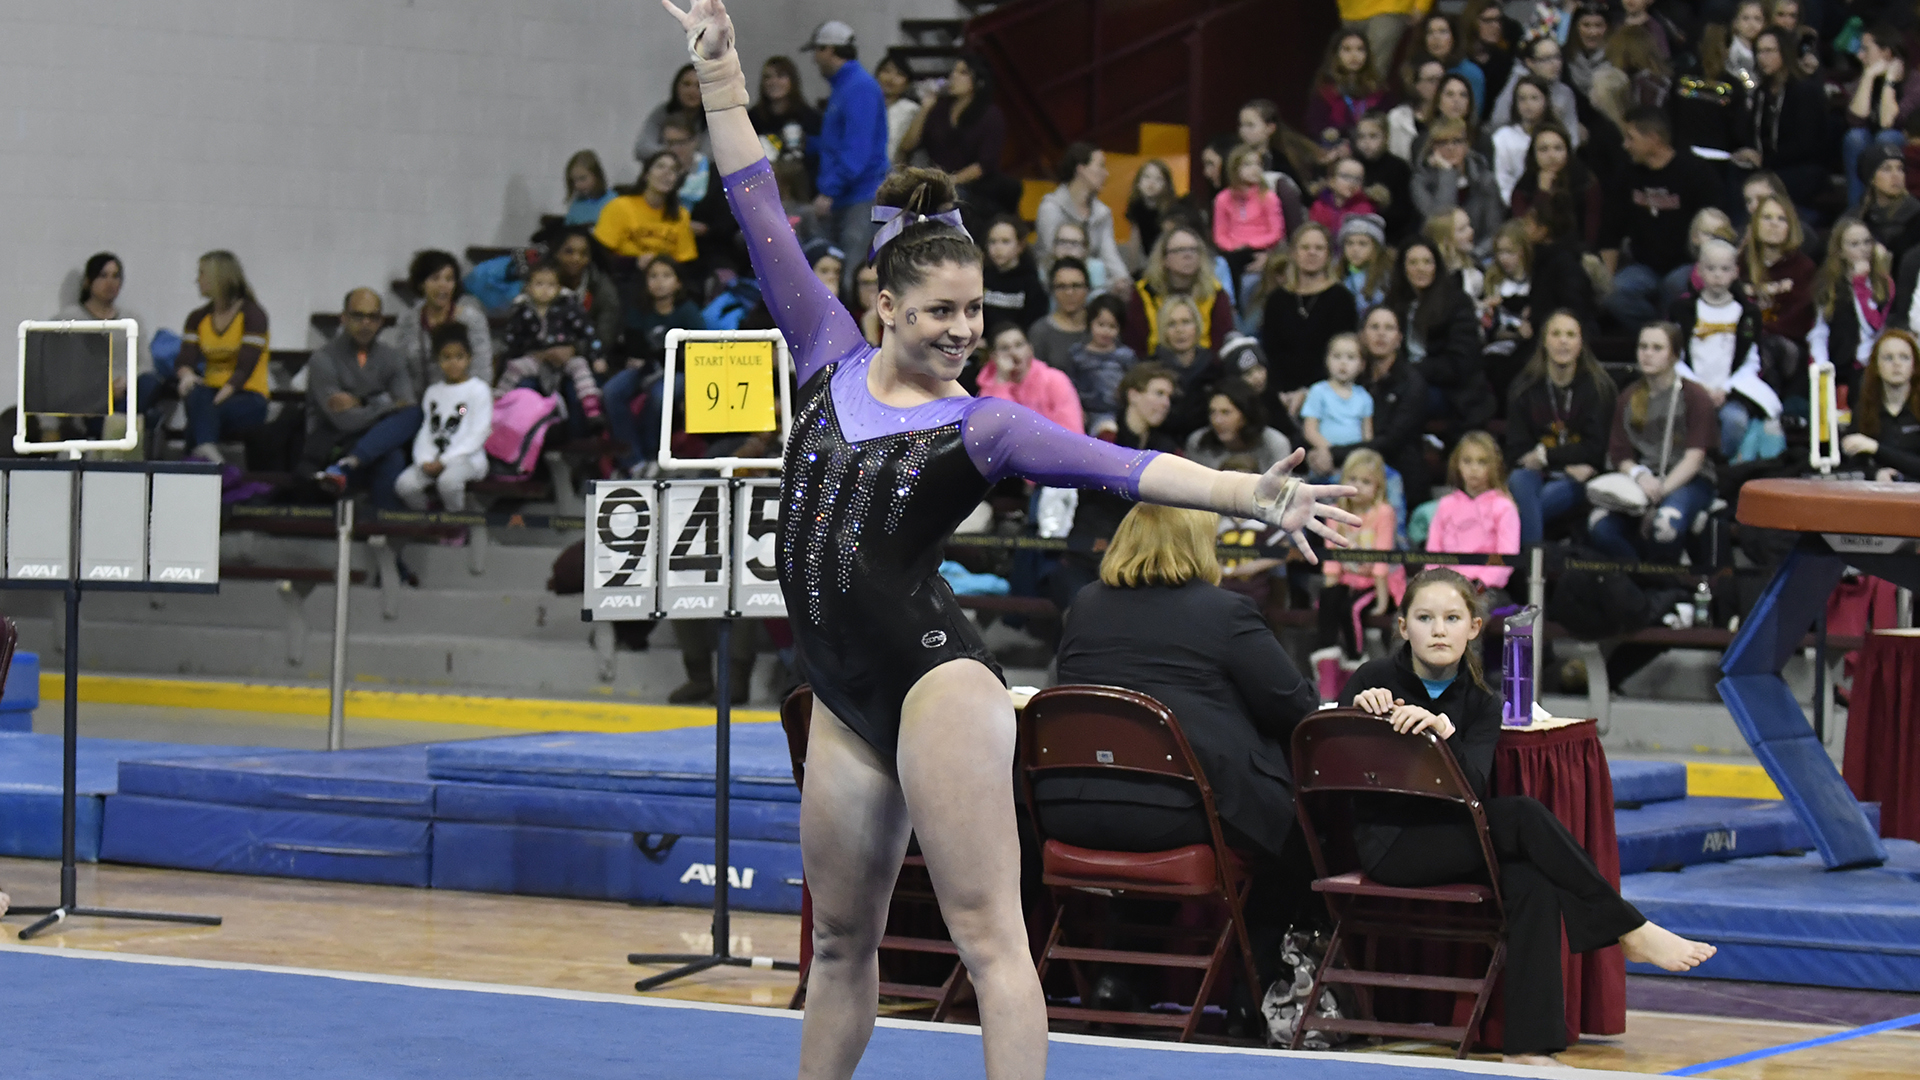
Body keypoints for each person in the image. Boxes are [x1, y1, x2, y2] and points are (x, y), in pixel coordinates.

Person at [659, 11, 1362, 1080]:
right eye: (941, 310)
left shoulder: (983, 424)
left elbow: (1122, 467)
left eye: (975, 313)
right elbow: (756, 199)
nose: (963, 332)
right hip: (843, 691)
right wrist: (720, 77)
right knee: (846, 942)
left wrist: (1248, 498)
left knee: (988, 937)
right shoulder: (819, 352)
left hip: (940, 681)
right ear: (883, 304)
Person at [1341, 567, 1716, 1067]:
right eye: (1425, 618)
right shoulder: (1375, 681)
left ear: (1474, 628)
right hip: (1392, 843)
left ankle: (1527, 1046)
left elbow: (1471, 789)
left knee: (1531, 882)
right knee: (1520, 816)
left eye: (1452, 618)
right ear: (1403, 627)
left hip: (1452, 837)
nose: (1438, 629)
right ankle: (1628, 930)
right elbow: (1340, 766)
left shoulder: (1480, 702)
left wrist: (1441, 737)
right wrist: (1359, 711)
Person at [1050, 502, 1323, 994]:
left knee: (1146, 785)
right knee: (1298, 841)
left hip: (1073, 807)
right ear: (1200, 545)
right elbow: (1296, 705)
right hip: (1178, 812)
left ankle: (1118, 978)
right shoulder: (1225, 611)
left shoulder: (1086, 605)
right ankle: (1257, 995)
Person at [1594, 323, 1717, 564]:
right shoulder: (1628, 397)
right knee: (1600, 527)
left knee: (1665, 524)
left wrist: (1660, 492)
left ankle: (1664, 589)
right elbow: (1621, 455)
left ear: (1674, 355)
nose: (1647, 354)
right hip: (1643, 480)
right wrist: (1640, 476)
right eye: (1643, 347)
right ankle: (1642, 582)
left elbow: (1694, 459)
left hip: (1689, 480)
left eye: (1657, 348)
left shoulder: (1695, 396)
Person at [1601, 106, 1723, 329]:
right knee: (1615, 294)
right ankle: (1659, 334)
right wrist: (1606, 279)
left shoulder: (1696, 172)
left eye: (1631, 138)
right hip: (1644, 266)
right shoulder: (1626, 174)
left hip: (1688, 263)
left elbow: (1718, 225)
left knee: (1674, 285)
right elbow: (1610, 229)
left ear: (1653, 138)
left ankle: (1670, 339)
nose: (1625, 145)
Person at [1504, 311, 1615, 546]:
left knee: (1527, 508)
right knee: (1519, 479)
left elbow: (1595, 448)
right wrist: (1563, 461)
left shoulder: (1598, 388)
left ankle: (1528, 572)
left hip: (1579, 480)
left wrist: (1544, 456)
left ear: (1581, 343)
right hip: (1537, 476)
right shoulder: (1524, 388)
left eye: (1570, 335)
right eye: (1556, 334)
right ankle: (1534, 568)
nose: (1563, 341)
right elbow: (1517, 451)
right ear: (1544, 341)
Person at [1671, 238, 1780, 459]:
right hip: (1690, 390)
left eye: (1725, 269)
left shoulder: (1747, 313)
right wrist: (1700, 389)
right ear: (1699, 271)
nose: (1718, 275)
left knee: (1735, 421)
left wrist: (1726, 389)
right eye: (1711, 268)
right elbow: (1675, 357)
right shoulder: (1683, 310)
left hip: (1730, 393)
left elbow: (1751, 361)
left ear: (1735, 272)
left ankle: (1723, 465)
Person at [302, 288, 417, 495]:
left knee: (416, 415)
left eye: (372, 317)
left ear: (381, 321)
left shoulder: (392, 358)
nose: (366, 323)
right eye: (358, 316)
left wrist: (360, 401)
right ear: (344, 318)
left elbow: (406, 406)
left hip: (378, 437)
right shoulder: (323, 359)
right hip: (334, 441)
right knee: (392, 454)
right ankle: (382, 524)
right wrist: (385, 405)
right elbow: (344, 421)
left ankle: (351, 464)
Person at [806, 19, 890, 291]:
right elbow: (837, 142)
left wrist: (830, 189)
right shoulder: (846, 86)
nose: (815, 60)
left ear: (829, 50)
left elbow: (857, 150)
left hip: (859, 196)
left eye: (817, 52)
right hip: (848, 194)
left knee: (852, 273)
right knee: (839, 269)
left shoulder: (858, 88)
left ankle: (852, 331)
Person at [1316, 304, 1430, 502]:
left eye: (1389, 328)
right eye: (1374, 327)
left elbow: (1392, 442)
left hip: (1396, 470)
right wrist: (1317, 453)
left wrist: (1333, 454)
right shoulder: (1349, 376)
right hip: (1345, 467)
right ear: (1362, 335)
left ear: (1399, 338)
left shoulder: (1412, 383)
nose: (1381, 334)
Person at [1313, 448, 1403, 695]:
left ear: (1378, 487)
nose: (1358, 486)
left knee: (1351, 608)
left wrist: (1383, 600)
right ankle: (1329, 673)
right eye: (1353, 480)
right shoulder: (1335, 513)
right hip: (1347, 580)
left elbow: (1381, 560)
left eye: (1366, 482)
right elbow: (1331, 560)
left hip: (1377, 583)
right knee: (1328, 601)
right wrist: (1329, 591)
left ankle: (1356, 666)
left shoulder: (1383, 512)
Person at [895, 53, 1016, 230]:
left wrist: (949, 181)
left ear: (978, 80)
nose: (953, 77)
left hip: (971, 187)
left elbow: (983, 165)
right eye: (953, 72)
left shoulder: (990, 115)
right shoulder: (939, 109)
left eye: (962, 72)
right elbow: (908, 145)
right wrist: (925, 108)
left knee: (945, 202)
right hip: (934, 180)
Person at [174, 250, 270, 463]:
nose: (196, 280)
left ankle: (196, 461)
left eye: (201, 274)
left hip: (248, 396)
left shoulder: (253, 315)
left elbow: (244, 369)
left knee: (199, 417)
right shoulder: (198, 317)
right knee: (196, 394)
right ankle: (207, 454)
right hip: (210, 393)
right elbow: (185, 359)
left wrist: (210, 404)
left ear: (218, 277)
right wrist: (186, 376)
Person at [1388, 238, 1492, 432]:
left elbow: (1459, 364)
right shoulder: (1394, 303)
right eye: (1413, 262)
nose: (1421, 268)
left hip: (1449, 391)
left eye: (1427, 262)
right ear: (1403, 268)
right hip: (1404, 381)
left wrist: (1410, 371)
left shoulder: (1457, 303)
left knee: (1404, 398)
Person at [1258, 222, 1359, 415]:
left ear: (1328, 255)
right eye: (1305, 247)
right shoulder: (1277, 299)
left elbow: (1342, 353)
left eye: (1319, 248)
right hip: (1281, 392)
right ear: (1294, 253)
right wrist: (1280, 393)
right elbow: (1270, 352)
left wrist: (1310, 392)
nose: (1311, 253)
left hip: (1329, 391)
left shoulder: (1341, 298)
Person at [496, 263, 605, 442]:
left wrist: (596, 356)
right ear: (529, 287)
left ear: (559, 288)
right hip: (535, 358)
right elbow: (511, 340)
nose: (545, 290)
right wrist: (532, 351)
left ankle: (591, 406)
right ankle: (497, 404)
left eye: (551, 285)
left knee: (580, 366)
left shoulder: (569, 308)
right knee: (514, 368)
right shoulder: (522, 310)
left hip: (566, 357)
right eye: (539, 284)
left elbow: (589, 333)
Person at [395, 323, 493, 512]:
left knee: (448, 483)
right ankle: (430, 520)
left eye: (459, 357)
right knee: (404, 485)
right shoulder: (433, 392)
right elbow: (426, 429)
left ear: (469, 358)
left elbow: (478, 432)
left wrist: (445, 461)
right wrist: (423, 460)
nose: (453, 363)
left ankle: (455, 525)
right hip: (433, 459)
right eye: (446, 357)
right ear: (437, 360)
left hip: (468, 459)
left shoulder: (478, 390)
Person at [1732, 27, 1828, 212]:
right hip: (1767, 166)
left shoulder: (1805, 91)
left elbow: (1807, 145)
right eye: (1759, 51)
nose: (1762, 57)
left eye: (1769, 51)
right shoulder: (1761, 92)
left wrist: (1765, 161)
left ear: (1785, 52)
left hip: (1801, 168)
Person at [56, 252, 151, 437]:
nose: (110, 283)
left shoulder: (132, 319)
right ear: (88, 281)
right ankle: (112, 428)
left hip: (125, 391)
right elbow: (60, 369)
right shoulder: (68, 318)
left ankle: (114, 427)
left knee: (149, 383)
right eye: (103, 276)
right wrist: (104, 390)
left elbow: (145, 363)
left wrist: (126, 379)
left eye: (115, 276)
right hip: (88, 395)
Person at [1425, 431, 1519, 597]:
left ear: (1493, 466)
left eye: (1482, 462)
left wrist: (1479, 585)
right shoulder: (1446, 504)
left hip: (1484, 589)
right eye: (1467, 461)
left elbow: (1506, 559)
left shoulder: (1504, 507)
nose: (1474, 468)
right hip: (1445, 585)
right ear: (1458, 464)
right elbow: (1433, 553)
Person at [385, 250, 495, 392]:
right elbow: (401, 371)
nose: (443, 285)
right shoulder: (407, 320)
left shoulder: (472, 320)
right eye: (435, 278)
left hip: (464, 403)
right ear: (421, 284)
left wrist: (465, 406)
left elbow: (482, 372)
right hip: (422, 403)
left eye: (449, 279)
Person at [1808, 217, 1895, 394]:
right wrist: (1821, 364)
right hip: (1834, 359)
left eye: (1867, 242)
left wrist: (1860, 284)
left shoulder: (1883, 283)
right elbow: (1819, 328)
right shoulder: (1827, 282)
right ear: (1840, 251)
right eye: (1854, 244)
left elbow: (1873, 326)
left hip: (1867, 362)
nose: (1863, 249)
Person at [1125, 225, 1235, 355]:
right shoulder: (1143, 293)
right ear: (1164, 258)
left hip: (1206, 369)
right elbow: (1136, 345)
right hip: (1154, 367)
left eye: (1193, 250)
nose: (1188, 255)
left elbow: (1221, 343)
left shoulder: (1215, 293)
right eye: (1179, 250)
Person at [1037, 142, 1130, 294]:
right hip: (1053, 284)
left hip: (1093, 284)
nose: (1106, 174)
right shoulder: (1051, 207)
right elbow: (1051, 255)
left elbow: (1110, 255)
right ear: (1081, 169)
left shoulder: (1102, 213)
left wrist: (1122, 280)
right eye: (1101, 166)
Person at [1842, 25, 1920, 207]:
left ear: (1886, 53)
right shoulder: (1865, 77)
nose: (1859, 55)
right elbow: (1855, 119)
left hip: (1900, 140)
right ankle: (1857, 208)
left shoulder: (1914, 82)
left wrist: (1889, 82)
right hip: (1869, 142)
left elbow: (1889, 122)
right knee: (1854, 137)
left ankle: (1886, 206)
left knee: (1888, 137)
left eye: (1865, 49)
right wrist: (1868, 76)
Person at [1411, 118, 1503, 260]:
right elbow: (1441, 224)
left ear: (1467, 145)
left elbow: (1494, 231)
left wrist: (1473, 256)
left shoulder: (1485, 179)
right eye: (1443, 142)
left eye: (1457, 141)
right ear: (1433, 147)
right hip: (1438, 256)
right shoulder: (1420, 182)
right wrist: (1447, 173)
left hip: (1480, 256)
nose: (1450, 148)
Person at [1739, 192, 1816, 355]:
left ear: (1791, 227)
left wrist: (1760, 331)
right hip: (1741, 338)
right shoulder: (1739, 264)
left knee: (1766, 349)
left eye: (1782, 219)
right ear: (1755, 223)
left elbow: (1798, 320)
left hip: (1785, 345)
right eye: (1767, 217)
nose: (1774, 224)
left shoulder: (1804, 268)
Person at [594, 151, 699, 265]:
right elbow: (600, 255)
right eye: (660, 166)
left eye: (673, 170)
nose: (666, 173)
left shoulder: (681, 215)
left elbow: (686, 261)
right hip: (625, 275)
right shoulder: (619, 207)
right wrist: (635, 262)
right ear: (646, 175)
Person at [1842, 328, 1920, 480]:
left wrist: (1876, 448)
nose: (1897, 364)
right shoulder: (1864, 409)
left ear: (1914, 366)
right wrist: (1875, 474)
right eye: (1888, 358)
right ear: (1876, 366)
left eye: (1904, 357)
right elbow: (1853, 464)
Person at [976, 323, 1084, 432]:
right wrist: (1002, 382)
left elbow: (1073, 430)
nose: (1013, 353)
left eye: (1019, 345)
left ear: (1030, 349)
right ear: (994, 357)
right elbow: (997, 430)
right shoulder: (989, 389)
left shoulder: (1055, 380)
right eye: (1004, 348)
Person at [1148, 294, 1226, 442]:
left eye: (1186, 322)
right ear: (1163, 330)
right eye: (1171, 324)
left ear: (1197, 326)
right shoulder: (1150, 370)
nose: (1179, 330)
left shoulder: (1215, 368)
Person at [1509, 124, 1600, 250]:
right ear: (1533, 154)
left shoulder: (1585, 183)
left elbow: (1592, 234)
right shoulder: (1523, 188)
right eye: (1543, 149)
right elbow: (1526, 233)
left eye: (1558, 148)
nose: (1551, 155)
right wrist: (1542, 193)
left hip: (1579, 254)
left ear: (1568, 152)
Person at [1214, 144, 1285, 299]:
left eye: (1257, 164)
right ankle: (1230, 307)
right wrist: (1234, 246)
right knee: (1219, 267)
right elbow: (1220, 234)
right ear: (1234, 168)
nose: (1254, 169)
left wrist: (1250, 244)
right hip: (1232, 252)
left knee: (1249, 282)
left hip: (1259, 251)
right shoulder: (1222, 199)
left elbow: (1276, 232)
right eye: (1248, 164)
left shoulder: (1268, 197)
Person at [1487, 35, 1582, 148]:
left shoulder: (1565, 93)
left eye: (1557, 57)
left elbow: (1572, 136)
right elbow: (1498, 123)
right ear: (1530, 62)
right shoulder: (1516, 88)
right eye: (1547, 59)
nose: (1555, 64)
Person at [1301, 332, 1375, 474]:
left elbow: (1367, 436)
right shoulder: (1318, 391)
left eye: (1351, 358)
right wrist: (1332, 451)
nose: (1343, 363)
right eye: (1337, 356)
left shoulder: (1365, 397)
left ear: (1362, 365)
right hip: (1326, 456)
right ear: (1327, 360)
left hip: (1355, 460)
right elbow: (1309, 431)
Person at [1063, 293, 1135, 433]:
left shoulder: (1126, 355)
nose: (1106, 331)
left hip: (1119, 412)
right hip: (1085, 412)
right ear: (1090, 323)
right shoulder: (1077, 354)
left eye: (1112, 326)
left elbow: (1133, 385)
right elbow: (1069, 385)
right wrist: (1076, 409)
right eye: (1101, 325)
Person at [1185, 377, 1292, 471]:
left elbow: (1280, 491)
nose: (1217, 421)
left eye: (1226, 412)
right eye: (1212, 412)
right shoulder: (1198, 444)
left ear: (1245, 415)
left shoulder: (1274, 445)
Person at [1307, 30, 1393, 146]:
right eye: (1347, 50)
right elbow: (1316, 130)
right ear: (1335, 54)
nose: (1354, 55)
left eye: (1360, 49)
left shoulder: (1379, 91)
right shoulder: (1324, 92)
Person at [748, 55, 823, 185]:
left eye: (780, 76)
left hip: (803, 192)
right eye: (768, 77)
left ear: (792, 81)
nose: (773, 82)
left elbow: (818, 158)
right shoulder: (752, 118)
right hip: (763, 191)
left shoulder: (809, 118)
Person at [551, 226, 624, 359]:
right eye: (569, 252)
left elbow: (605, 337)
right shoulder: (539, 282)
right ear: (556, 253)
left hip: (589, 358)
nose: (576, 258)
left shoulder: (602, 288)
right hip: (541, 357)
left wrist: (574, 349)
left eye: (583, 254)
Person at [1490, 75, 1560, 205]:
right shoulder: (1503, 137)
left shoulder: (1557, 134)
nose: (1528, 104)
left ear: (1546, 100)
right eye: (1522, 99)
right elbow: (1502, 179)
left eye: (1534, 98)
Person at [1407, 11, 1486, 118]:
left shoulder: (1471, 73)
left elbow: (1473, 116)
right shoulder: (1414, 67)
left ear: (1454, 37)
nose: (1436, 38)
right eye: (1430, 32)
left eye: (1443, 32)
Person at [980, 214, 1048, 331]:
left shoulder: (1031, 283)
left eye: (1005, 242)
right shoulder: (981, 278)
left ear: (1020, 246)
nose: (998, 248)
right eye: (992, 242)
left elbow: (1035, 322)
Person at [1352, 115, 1414, 241]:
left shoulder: (1399, 168)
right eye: (1361, 137)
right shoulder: (1352, 166)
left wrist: (1380, 205)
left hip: (1391, 235)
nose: (1366, 143)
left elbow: (1405, 212)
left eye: (1373, 136)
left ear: (1386, 137)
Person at [1855, 143, 1920, 262]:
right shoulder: (1857, 216)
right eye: (1886, 169)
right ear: (1871, 178)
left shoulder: (1915, 216)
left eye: (1900, 169)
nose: (1896, 176)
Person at [634, 63, 707, 163]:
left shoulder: (713, 119)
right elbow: (641, 149)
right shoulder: (662, 112)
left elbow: (712, 155)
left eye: (699, 86)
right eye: (687, 84)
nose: (692, 91)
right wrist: (673, 154)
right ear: (676, 87)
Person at [1028, 258, 1091, 369]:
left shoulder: (1101, 327)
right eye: (1061, 287)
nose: (1069, 292)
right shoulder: (1040, 332)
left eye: (1076, 286)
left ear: (1087, 289)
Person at [1387, 59, 1448, 163]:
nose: (1439, 86)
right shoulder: (1397, 118)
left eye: (1442, 80)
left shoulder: (1450, 116)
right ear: (1416, 84)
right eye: (1432, 80)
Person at [1125, 159, 1181, 261]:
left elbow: (1169, 242)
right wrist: (1131, 268)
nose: (1151, 183)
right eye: (1146, 177)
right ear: (1138, 182)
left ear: (1167, 185)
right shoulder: (1136, 206)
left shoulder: (1171, 209)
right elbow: (1135, 240)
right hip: (1148, 257)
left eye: (1158, 179)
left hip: (1167, 258)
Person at [1338, 213, 1394, 312]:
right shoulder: (1338, 275)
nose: (1354, 249)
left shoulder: (1386, 278)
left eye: (1362, 244)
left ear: (1375, 248)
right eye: (1349, 243)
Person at [1311, 156, 1378, 236]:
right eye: (1346, 176)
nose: (1352, 183)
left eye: (1357, 179)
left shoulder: (1366, 209)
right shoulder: (1319, 206)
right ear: (1332, 180)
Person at [874, 53, 920, 164]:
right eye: (886, 71)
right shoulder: (864, 105)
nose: (891, 78)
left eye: (899, 74)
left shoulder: (911, 109)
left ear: (907, 83)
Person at [563, 150, 615, 226]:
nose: (577, 185)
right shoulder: (576, 204)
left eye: (582, 178)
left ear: (596, 176)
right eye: (573, 181)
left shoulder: (612, 201)